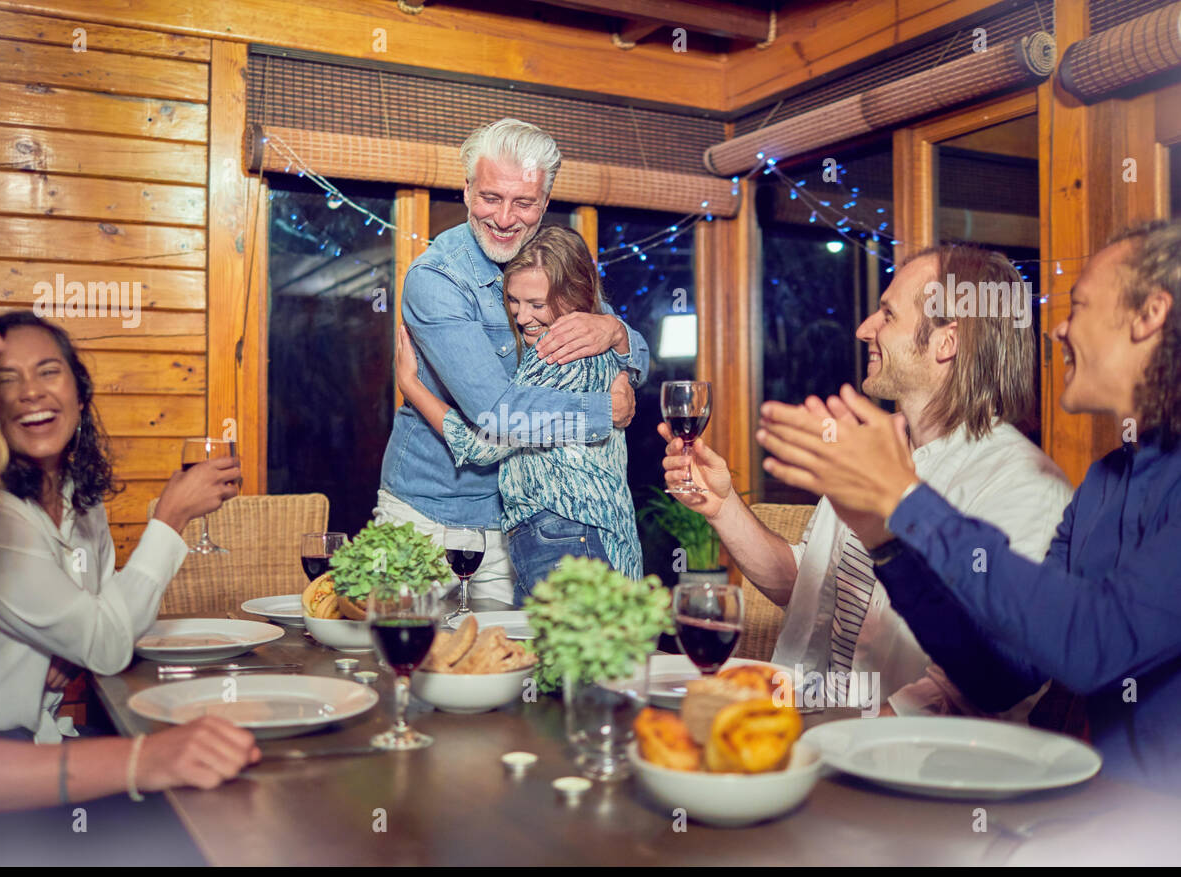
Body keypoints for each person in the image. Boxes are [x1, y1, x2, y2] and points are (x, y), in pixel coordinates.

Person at [755, 220, 1181, 792]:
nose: (1057, 329)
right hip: (1110, 819)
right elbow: (999, 677)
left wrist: (905, 500)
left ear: (1149, 315)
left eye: (1078, 305)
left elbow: (1093, 643)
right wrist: (888, 546)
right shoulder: (1106, 482)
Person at [0, 231, 258, 862]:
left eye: (48, 372)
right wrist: (142, 758)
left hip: (0, 762)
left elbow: (91, 627)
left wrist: (58, 645)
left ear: (81, 396)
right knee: (193, 839)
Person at [662, 243, 1071, 717]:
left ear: (948, 341)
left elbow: (972, 687)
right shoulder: (871, 447)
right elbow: (807, 585)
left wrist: (826, 747)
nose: (863, 330)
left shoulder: (1024, 484)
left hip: (906, 764)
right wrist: (722, 505)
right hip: (812, 720)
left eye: (887, 315)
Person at [378, 118, 650, 603]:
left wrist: (616, 332)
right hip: (428, 513)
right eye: (490, 198)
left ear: (544, 203)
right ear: (466, 191)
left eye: (523, 203)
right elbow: (494, 414)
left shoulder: (555, 267)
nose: (505, 219)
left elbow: (634, 356)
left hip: (514, 521)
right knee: (401, 655)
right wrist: (601, 413)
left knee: (509, 669)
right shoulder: (437, 279)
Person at [0, 311, 242, 743]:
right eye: (5, 379)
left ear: (80, 396)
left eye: (48, 371)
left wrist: (77, 649)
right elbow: (107, 642)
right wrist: (171, 516)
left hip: (48, 733)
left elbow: (112, 616)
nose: (30, 392)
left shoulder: (77, 495)